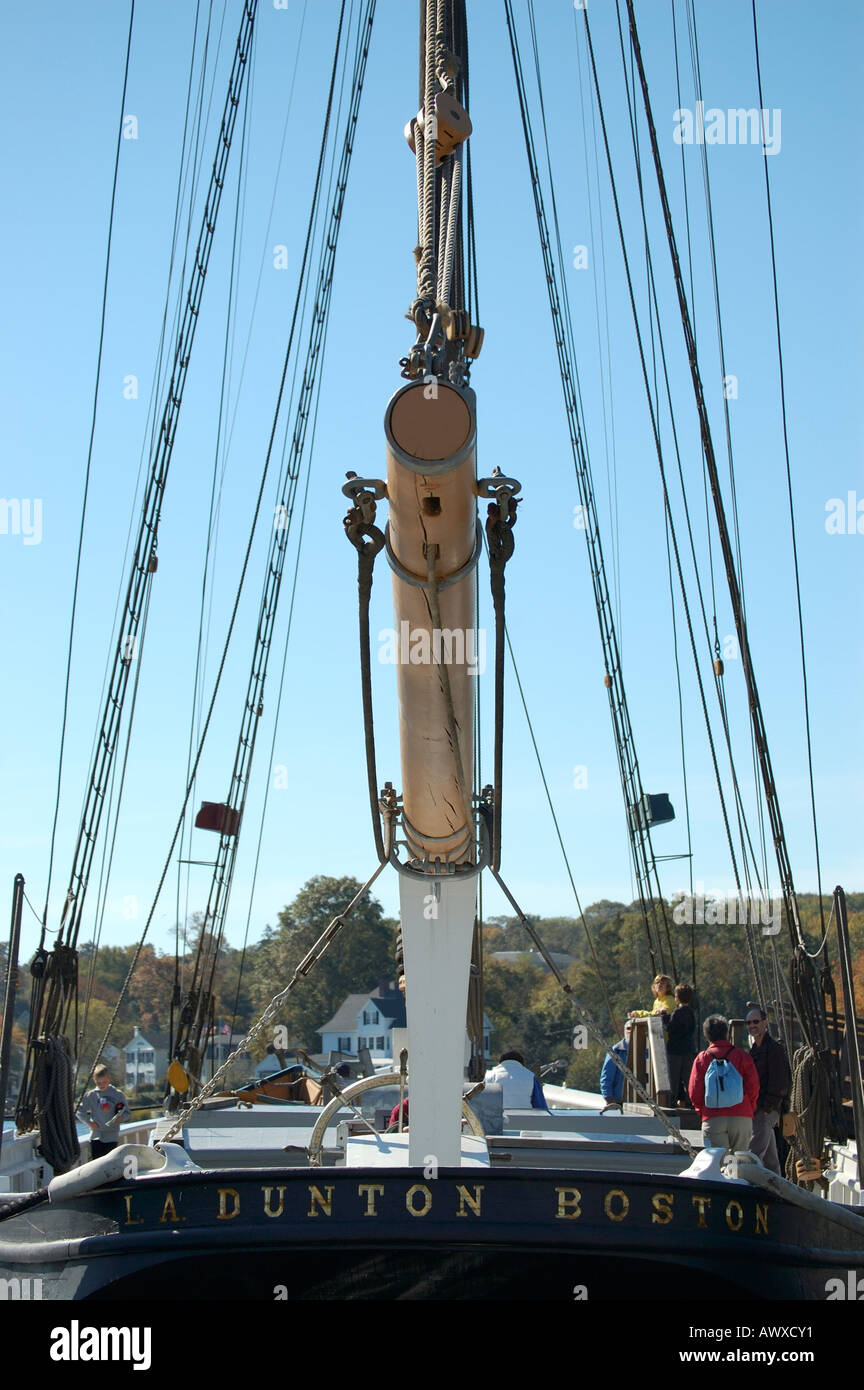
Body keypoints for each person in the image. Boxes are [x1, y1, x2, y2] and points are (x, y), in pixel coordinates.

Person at [689, 1015, 759, 1154]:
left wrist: (703, 1111)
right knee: (740, 1163)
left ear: (707, 1036)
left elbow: (694, 1092)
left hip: (713, 1117)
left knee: (719, 1165)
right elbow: (753, 1086)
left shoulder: (702, 1058)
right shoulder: (742, 1056)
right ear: (727, 1034)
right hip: (742, 1116)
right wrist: (748, 1106)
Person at [746, 1006, 790, 1175]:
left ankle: (745, 1188)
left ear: (765, 1023)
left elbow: (780, 1082)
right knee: (771, 1161)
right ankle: (777, 1192)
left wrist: (767, 1108)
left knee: (753, 1155)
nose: (752, 1025)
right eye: (749, 1023)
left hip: (765, 1110)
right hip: (757, 1109)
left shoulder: (774, 1050)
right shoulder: (754, 1050)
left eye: (756, 1022)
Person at [77, 1064, 130, 1157]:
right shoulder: (91, 1095)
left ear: (109, 1078)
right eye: (99, 1083)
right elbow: (79, 1111)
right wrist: (89, 1123)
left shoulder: (118, 1095)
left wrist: (120, 1118)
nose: (102, 1085)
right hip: (96, 1135)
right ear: (94, 1080)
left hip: (112, 1136)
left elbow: (127, 1113)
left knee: (110, 1162)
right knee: (96, 1162)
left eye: (104, 1082)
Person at [484, 1050, 549, 1110]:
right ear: (521, 1063)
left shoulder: (489, 1076)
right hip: (524, 1119)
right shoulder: (530, 1076)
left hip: (497, 1119)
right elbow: (541, 1106)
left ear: (500, 1063)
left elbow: (483, 1102)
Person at [666, 984, 697, 1106]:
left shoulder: (677, 1012)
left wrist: (664, 1018)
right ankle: (690, 1101)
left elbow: (671, 1028)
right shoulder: (691, 1013)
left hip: (675, 1050)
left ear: (677, 998)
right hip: (688, 1049)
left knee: (673, 1076)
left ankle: (671, 1101)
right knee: (687, 1076)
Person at [600, 1021, 633, 1103]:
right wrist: (608, 1098)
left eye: (634, 1029)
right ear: (624, 1031)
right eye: (628, 1028)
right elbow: (606, 1077)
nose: (631, 1031)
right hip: (619, 1101)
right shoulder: (615, 1051)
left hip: (644, 1102)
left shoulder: (649, 1051)